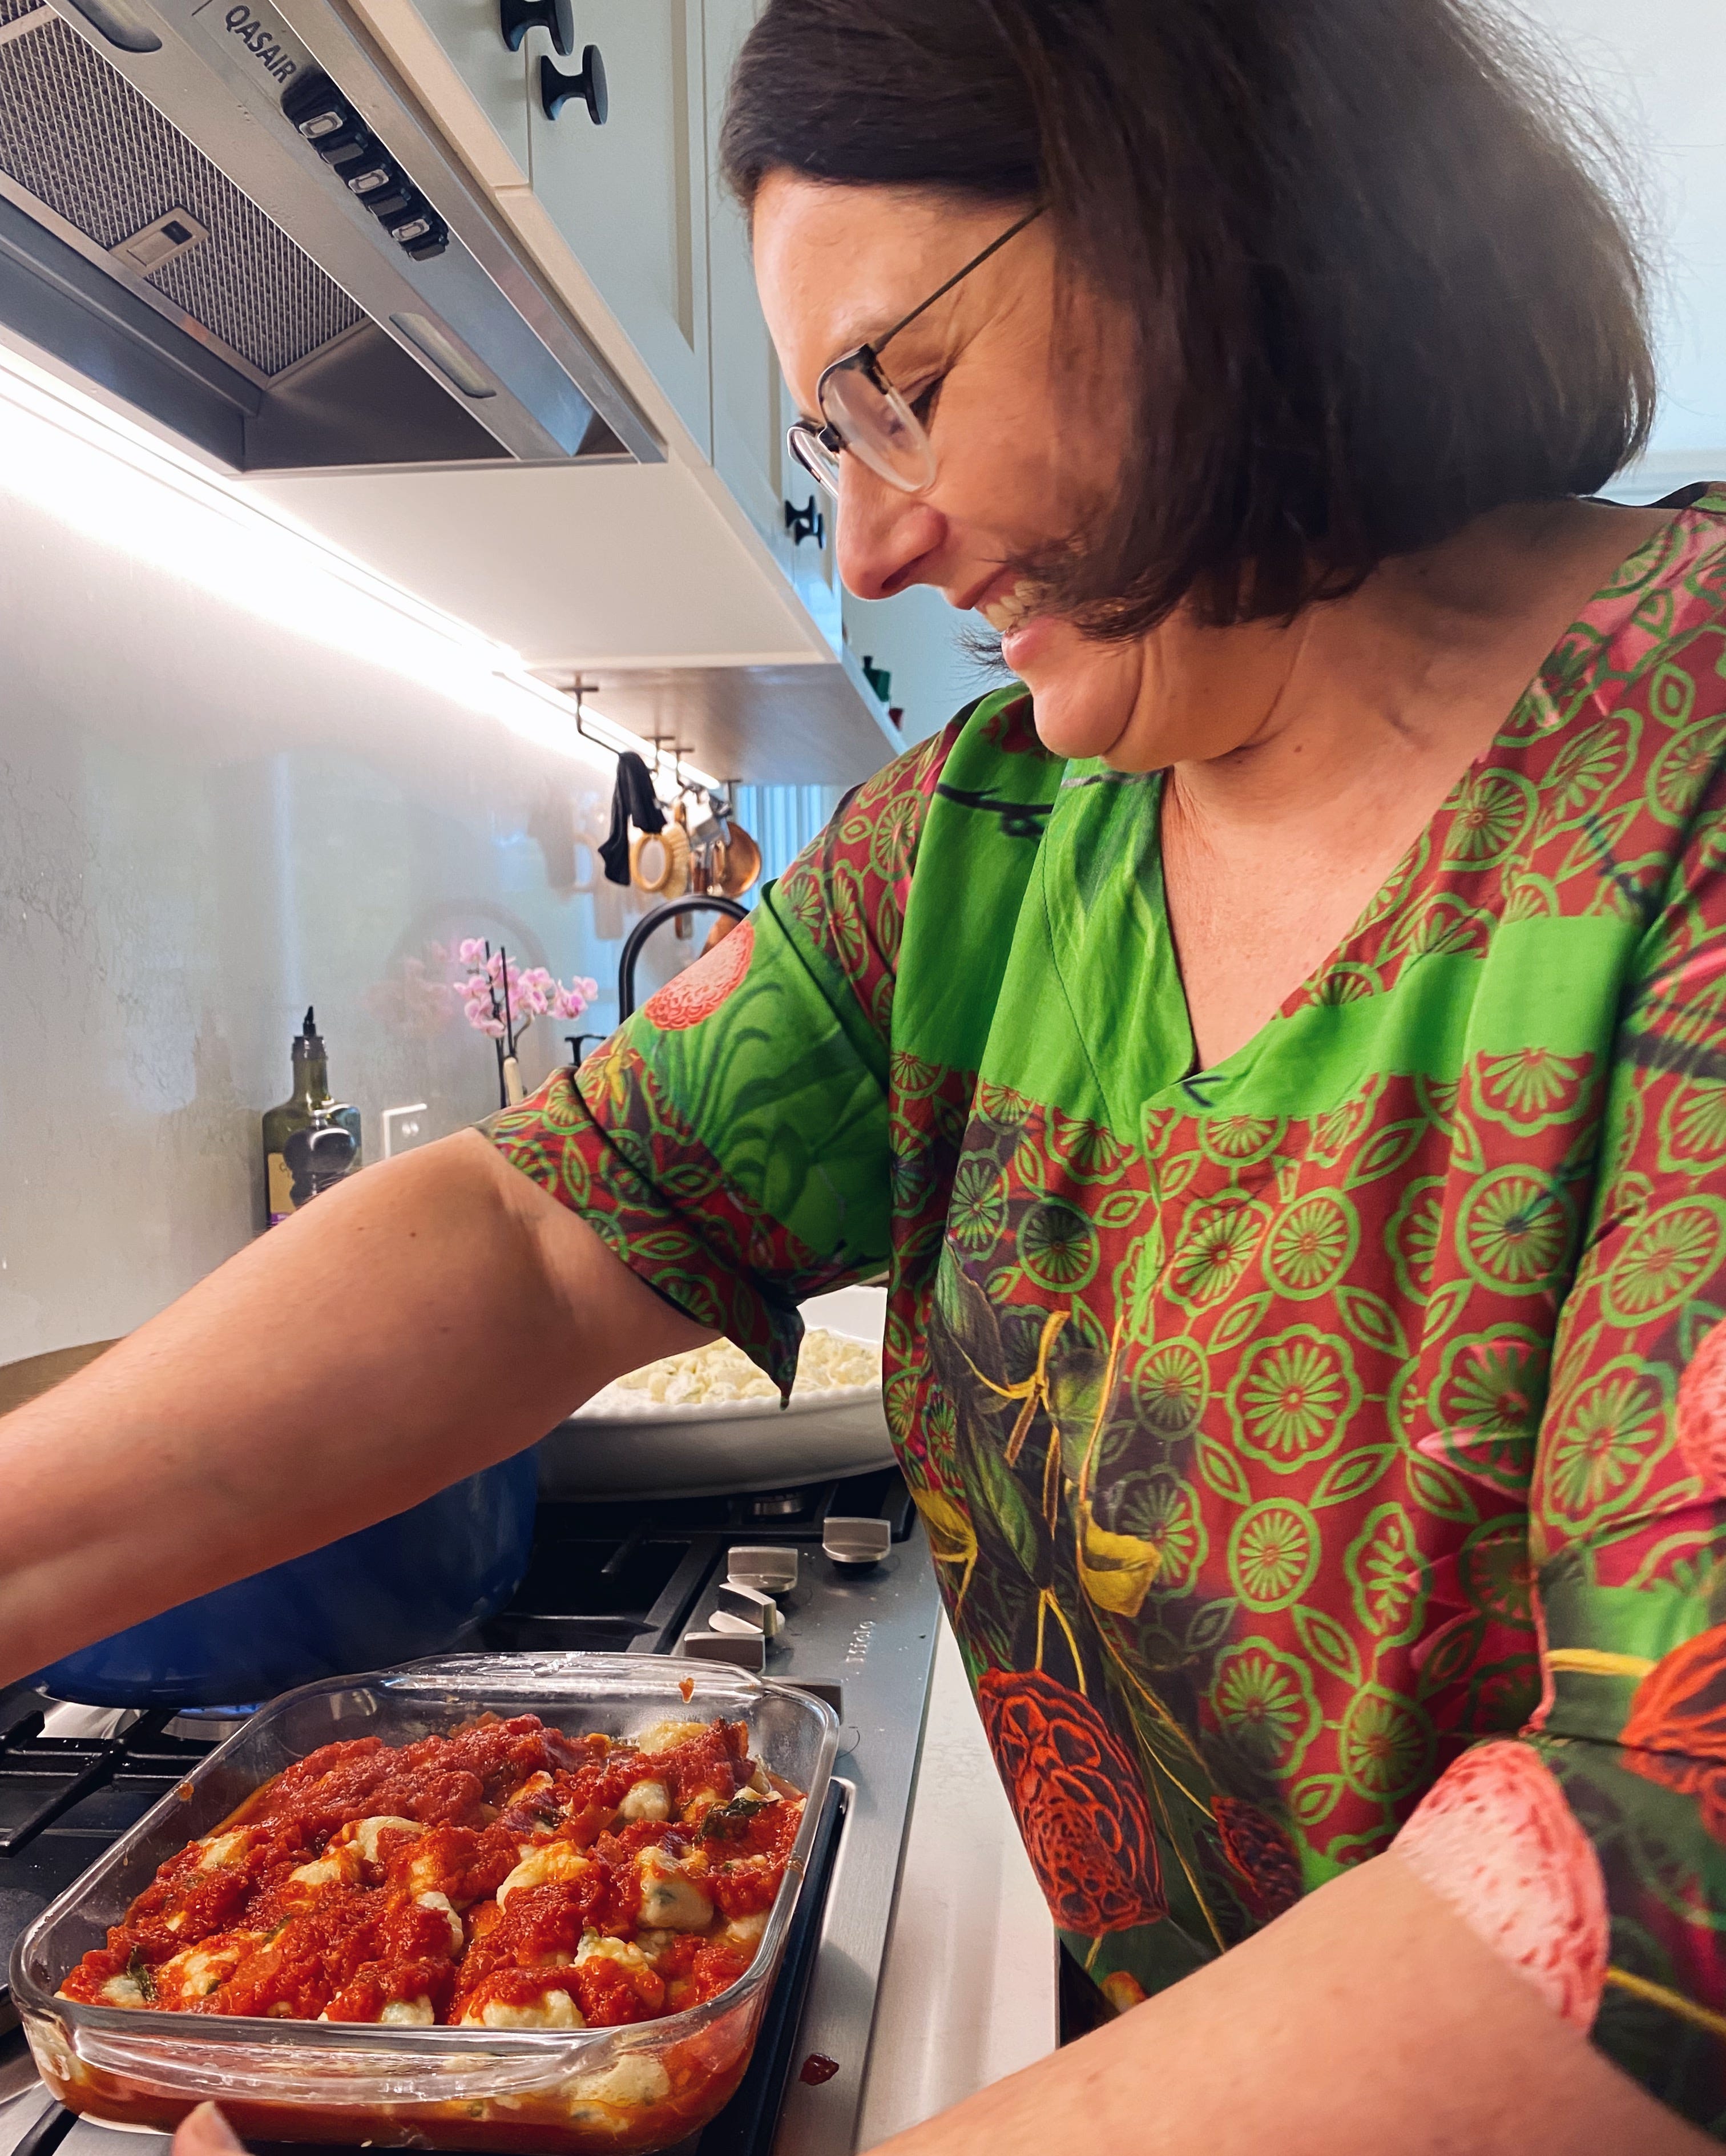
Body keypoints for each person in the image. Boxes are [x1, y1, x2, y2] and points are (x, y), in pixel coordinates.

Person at [5, 0, 1726, 2147]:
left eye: (898, 389)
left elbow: (1671, 1878)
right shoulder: (991, 840)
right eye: (831, 447)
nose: (874, 545)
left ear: (1221, 211)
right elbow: (543, 1226)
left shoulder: (1687, 774)